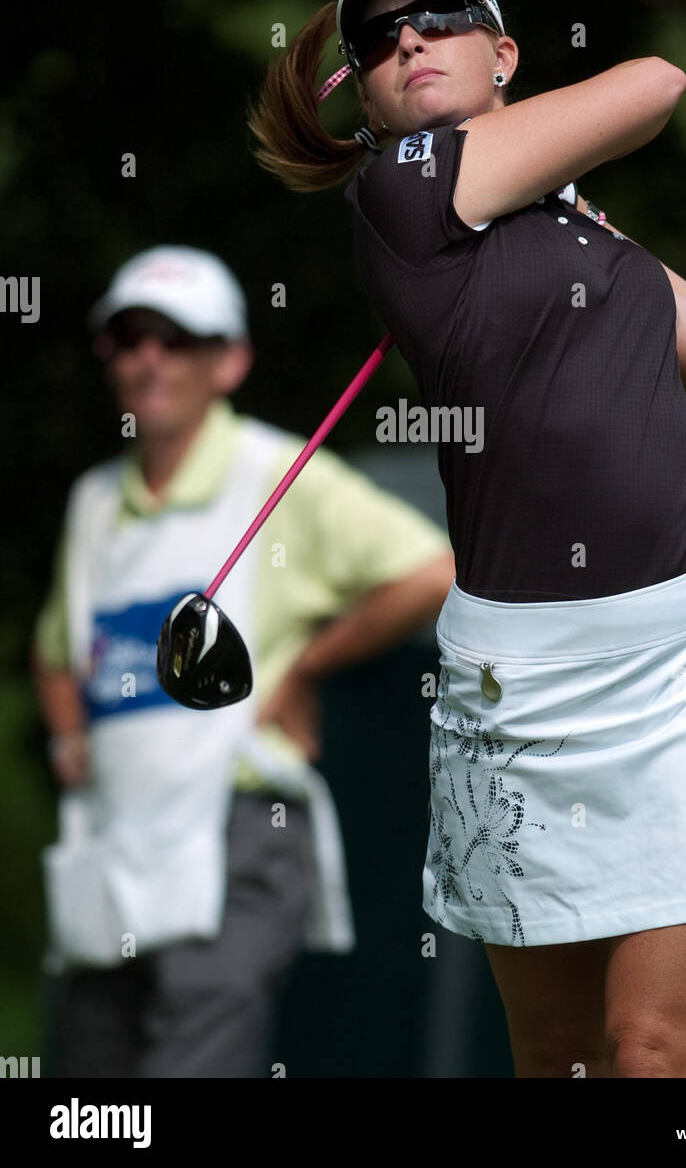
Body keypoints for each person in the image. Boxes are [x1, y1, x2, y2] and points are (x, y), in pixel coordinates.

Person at [245, 0, 686, 1079]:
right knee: (560, 1054)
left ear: (503, 53)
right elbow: (657, 82)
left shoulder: (564, 227)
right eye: (379, 38)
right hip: (520, 680)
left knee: (654, 1049)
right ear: (368, 102)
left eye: (440, 16)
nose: (408, 39)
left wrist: (578, 219)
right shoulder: (402, 186)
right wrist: (542, 185)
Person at [31, 244, 455, 1078]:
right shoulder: (92, 503)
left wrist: (302, 669)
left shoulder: (275, 474)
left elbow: (429, 571)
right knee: (90, 1096)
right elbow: (56, 655)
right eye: (130, 337)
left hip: (240, 835)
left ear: (230, 360)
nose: (150, 358)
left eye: (176, 338)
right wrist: (67, 740)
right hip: (115, 839)